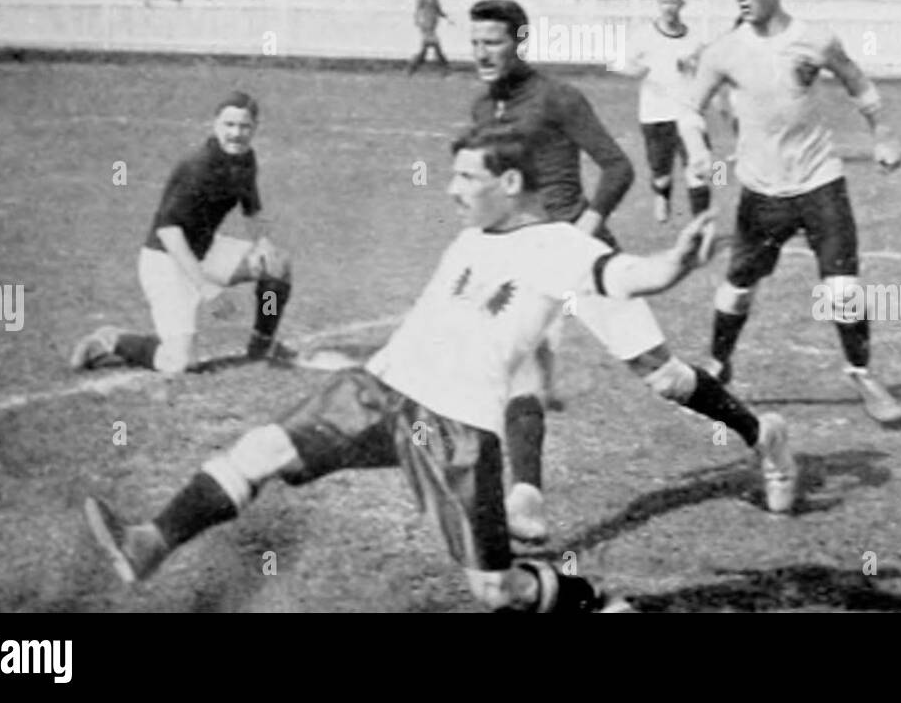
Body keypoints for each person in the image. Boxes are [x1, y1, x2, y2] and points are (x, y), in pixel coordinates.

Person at [83, 125, 794, 611]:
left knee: (494, 591)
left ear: (508, 180)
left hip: (453, 433)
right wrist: (352, 365)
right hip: (377, 394)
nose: (451, 188)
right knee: (260, 449)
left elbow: (629, 276)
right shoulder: (466, 240)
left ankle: (588, 600)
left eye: (466, 176)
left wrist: (675, 263)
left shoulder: (556, 247)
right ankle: (150, 541)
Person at [676, 0, 901, 424]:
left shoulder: (815, 39)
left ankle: (863, 374)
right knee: (739, 286)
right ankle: (719, 359)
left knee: (843, 289)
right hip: (761, 192)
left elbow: (857, 80)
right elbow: (689, 109)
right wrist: (697, 151)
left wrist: (883, 133)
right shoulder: (724, 51)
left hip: (819, 183)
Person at [468, 0, 633, 541]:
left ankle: (760, 435)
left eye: (493, 41)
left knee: (668, 377)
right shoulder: (480, 109)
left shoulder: (559, 96)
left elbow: (617, 166)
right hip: (526, 259)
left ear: (520, 41)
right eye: (475, 42)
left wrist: (581, 234)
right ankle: (528, 499)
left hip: (582, 248)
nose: (482, 52)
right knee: (521, 368)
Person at [69, 92, 296, 374]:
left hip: (205, 248)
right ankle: (113, 339)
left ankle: (262, 344)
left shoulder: (245, 158)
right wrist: (207, 287)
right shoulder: (198, 167)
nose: (236, 134)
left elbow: (252, 210)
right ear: (215, 125)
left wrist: (263, 243)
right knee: (179, 364)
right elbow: (169, 232)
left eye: (244, 126)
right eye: (229, 125)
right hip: (167, 260)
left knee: (278, 265)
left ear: (255, 127)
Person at [611, 0, 712, 224]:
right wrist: (634, 70)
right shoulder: (644, 35)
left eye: (673, 2)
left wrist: (694, 65)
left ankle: (702, 223)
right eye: (664, 2)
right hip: (655, 114)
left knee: (705, 168)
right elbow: (614, 63)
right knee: (661, 174)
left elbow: (708, 70)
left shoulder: (695, 38)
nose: (668, 8)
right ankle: (662, 196)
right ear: (658, 5)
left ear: (682, 5)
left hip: (688, 114)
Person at [407, 0, 450, 75]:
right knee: (436, 47)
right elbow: (417, 10)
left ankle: (412, 68)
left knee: (425, 51)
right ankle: (445, 68)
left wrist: (446, 17)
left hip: (433, 24)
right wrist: (417, 21)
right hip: (426, 25)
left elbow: (438, 9)